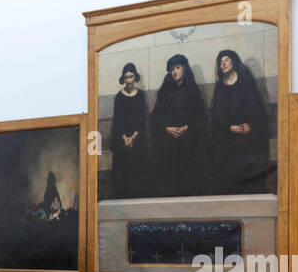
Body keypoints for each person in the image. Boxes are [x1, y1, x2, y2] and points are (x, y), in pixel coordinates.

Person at [208, 49, 268, 194]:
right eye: (221, 62)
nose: (223, 64)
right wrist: (230, 127)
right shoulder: (219, 87)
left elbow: (257, 109)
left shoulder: (246, 83)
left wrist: (249, 126)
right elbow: (216, 115)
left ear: (233, 62)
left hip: (247, 135)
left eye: (226, 60)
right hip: (226, 136)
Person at [148, 53, 206, 196]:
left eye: (178, 68)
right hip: (169, 142)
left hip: (188, 142)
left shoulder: (192, 90)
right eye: (172, 69)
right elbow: (155, 118)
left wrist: (187, 128)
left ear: (184, 69)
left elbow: (201, 117)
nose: (175, 72)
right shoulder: (165, 92)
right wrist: (166, 129)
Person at [110, 62, 147, 198]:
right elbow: (118, 122)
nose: (129, 81)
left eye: (131, 77)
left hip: (137, 139)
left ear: (135, 77)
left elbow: (142, 120)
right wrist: (126, 138)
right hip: (122, 140)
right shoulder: (119, 97)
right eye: (126, 77)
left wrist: (133, 138)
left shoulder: (140, 95)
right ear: (123, 79)